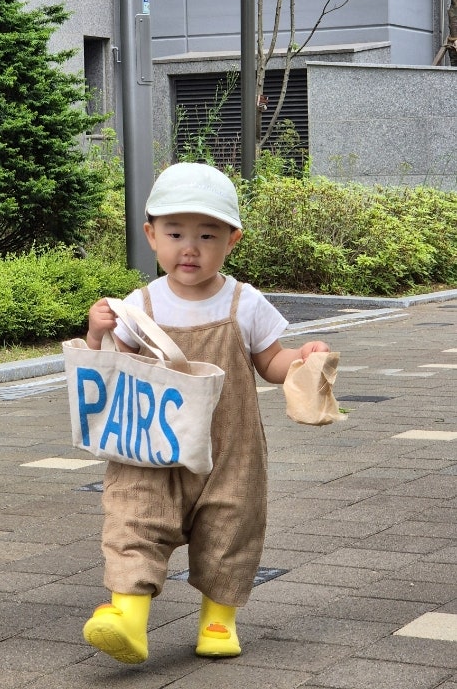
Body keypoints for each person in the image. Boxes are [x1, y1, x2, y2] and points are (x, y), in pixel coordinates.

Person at [82, 162, 331, 664]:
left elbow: (269, 362)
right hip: (151, 444)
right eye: (175, 233)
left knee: (230, 525)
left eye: (207, 235)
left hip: (228, 447)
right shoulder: (139, 304)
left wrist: (301, 359)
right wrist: (96, 331)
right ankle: (127, 617)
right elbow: (111, 365)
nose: (189, 248)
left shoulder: (245, 302)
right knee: (133, 517)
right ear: (151, 236)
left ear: (232, 240)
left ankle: (219, 620)